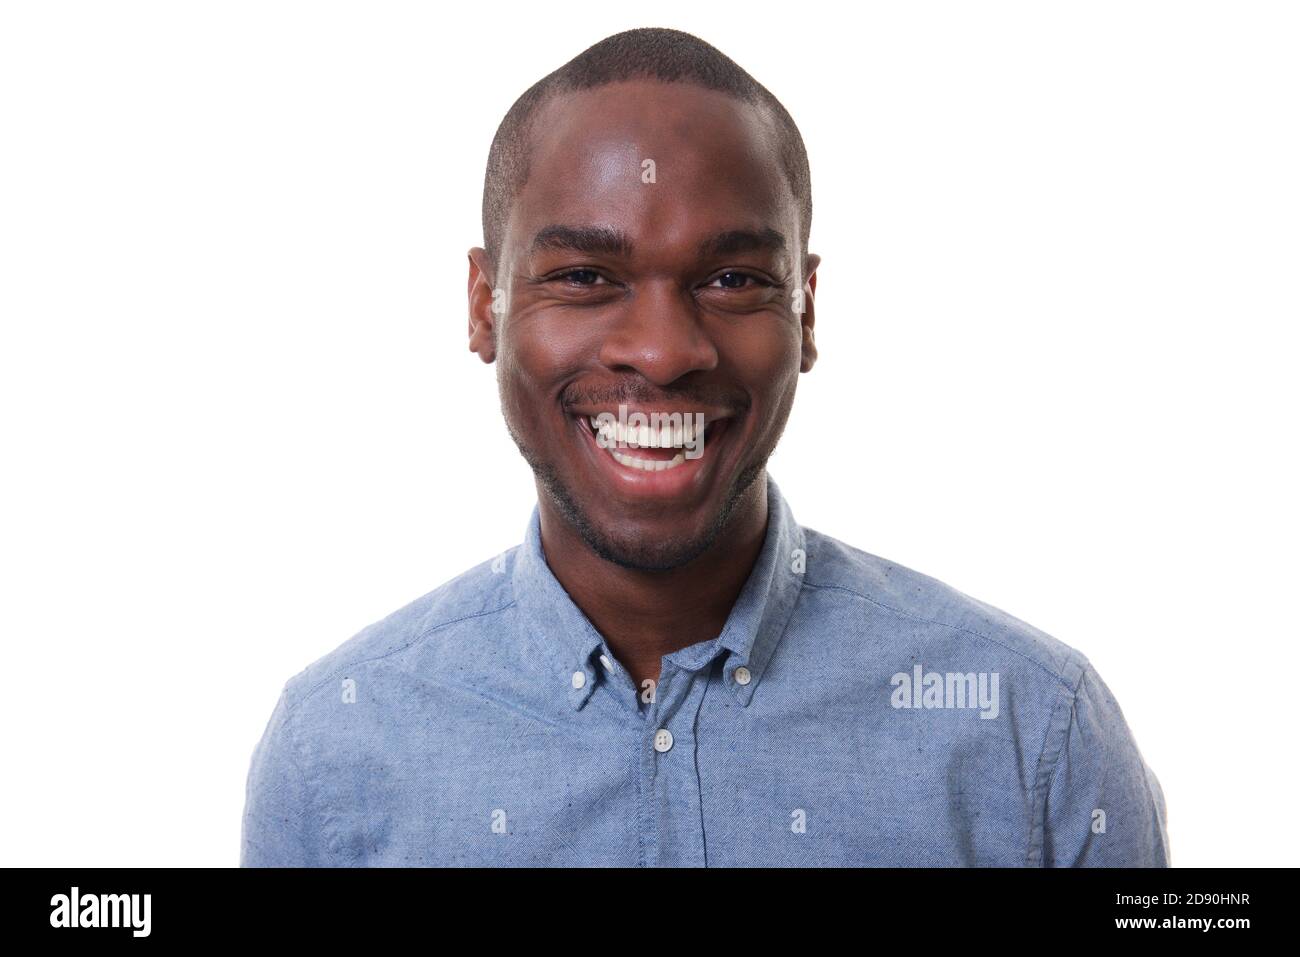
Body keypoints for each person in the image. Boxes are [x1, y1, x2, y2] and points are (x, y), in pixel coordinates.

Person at [241, 26, 1169, 867]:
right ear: (484, 304)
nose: (662, 349)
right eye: (585, 276)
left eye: (731, 278)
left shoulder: (1033, 732)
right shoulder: (335, 756)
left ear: (807, 312)